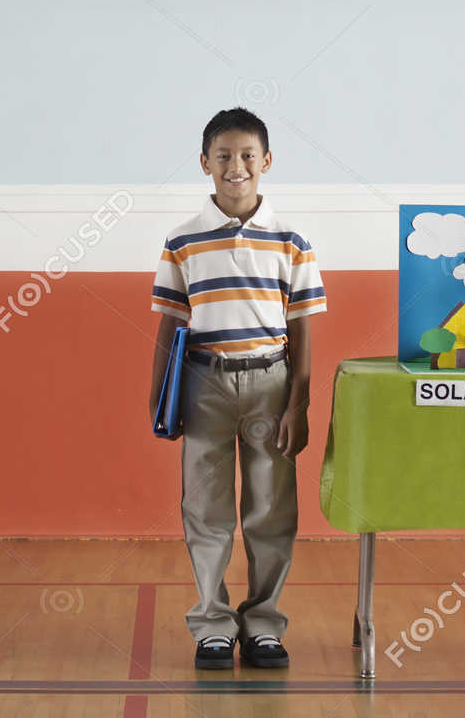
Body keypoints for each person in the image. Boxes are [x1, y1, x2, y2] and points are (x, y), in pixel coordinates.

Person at [147, 107, 326, 670]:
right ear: (205, 163)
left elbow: (301, 329)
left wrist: (299, 402)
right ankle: (213, 625)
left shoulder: (290, 240)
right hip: (204, 382)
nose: (236, 166)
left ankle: (264, 625)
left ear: (266, 161)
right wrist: (159, 396)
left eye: (248, 155)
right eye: (223, 155)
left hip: (271, 383)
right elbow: (170, 323)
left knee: (271, 510)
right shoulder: (182, 240)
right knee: (206, 509)